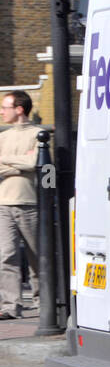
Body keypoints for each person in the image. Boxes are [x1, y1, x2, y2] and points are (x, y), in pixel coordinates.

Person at [0, 91, 40, 319]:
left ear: (19, 109)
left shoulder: (39, 134)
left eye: (5, 107)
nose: (1, 111)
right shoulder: (3, 137)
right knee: (7, 255)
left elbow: (38, 163)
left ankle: (43, 303)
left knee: (38, 256)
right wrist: (21, 164)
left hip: (30, 203)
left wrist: (6, 160)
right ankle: (10, 306)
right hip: (3, 203)